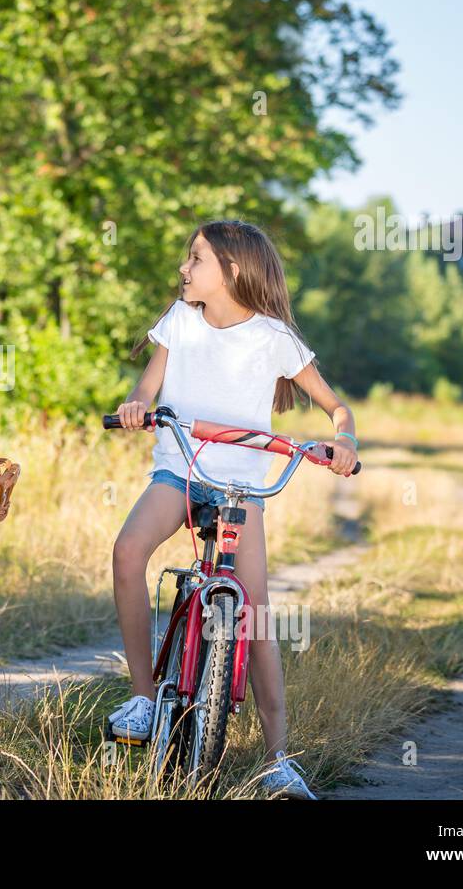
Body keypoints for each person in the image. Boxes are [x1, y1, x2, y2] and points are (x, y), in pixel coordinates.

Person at [108, 220, 358, 799]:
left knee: (258, 611)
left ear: (232, 270)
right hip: (182, 470)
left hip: (240, 490)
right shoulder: (180, 320)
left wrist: (345, 442)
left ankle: (277, 757)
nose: (184, 268)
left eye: (196, 258)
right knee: (127, 552)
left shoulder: (273, 337)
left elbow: (336, 407)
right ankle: (144, 697)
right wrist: (135, 406)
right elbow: (148, 386)